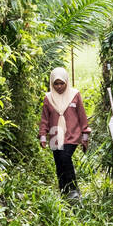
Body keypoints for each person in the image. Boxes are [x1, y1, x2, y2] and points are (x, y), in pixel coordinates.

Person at [38, 66, 91, 197]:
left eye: (62, 83)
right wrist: (43, 136)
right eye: (56, 83)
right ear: (52, 83)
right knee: (59, 163)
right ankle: (63, 190)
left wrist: (85, 135)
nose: (59, 86)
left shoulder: (74, 95)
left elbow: (81, 115)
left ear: (66, 82)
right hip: (55, 134)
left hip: (72, 134)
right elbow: (45, 118)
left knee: (65, 157)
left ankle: (73, 188)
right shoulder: (48, 98)